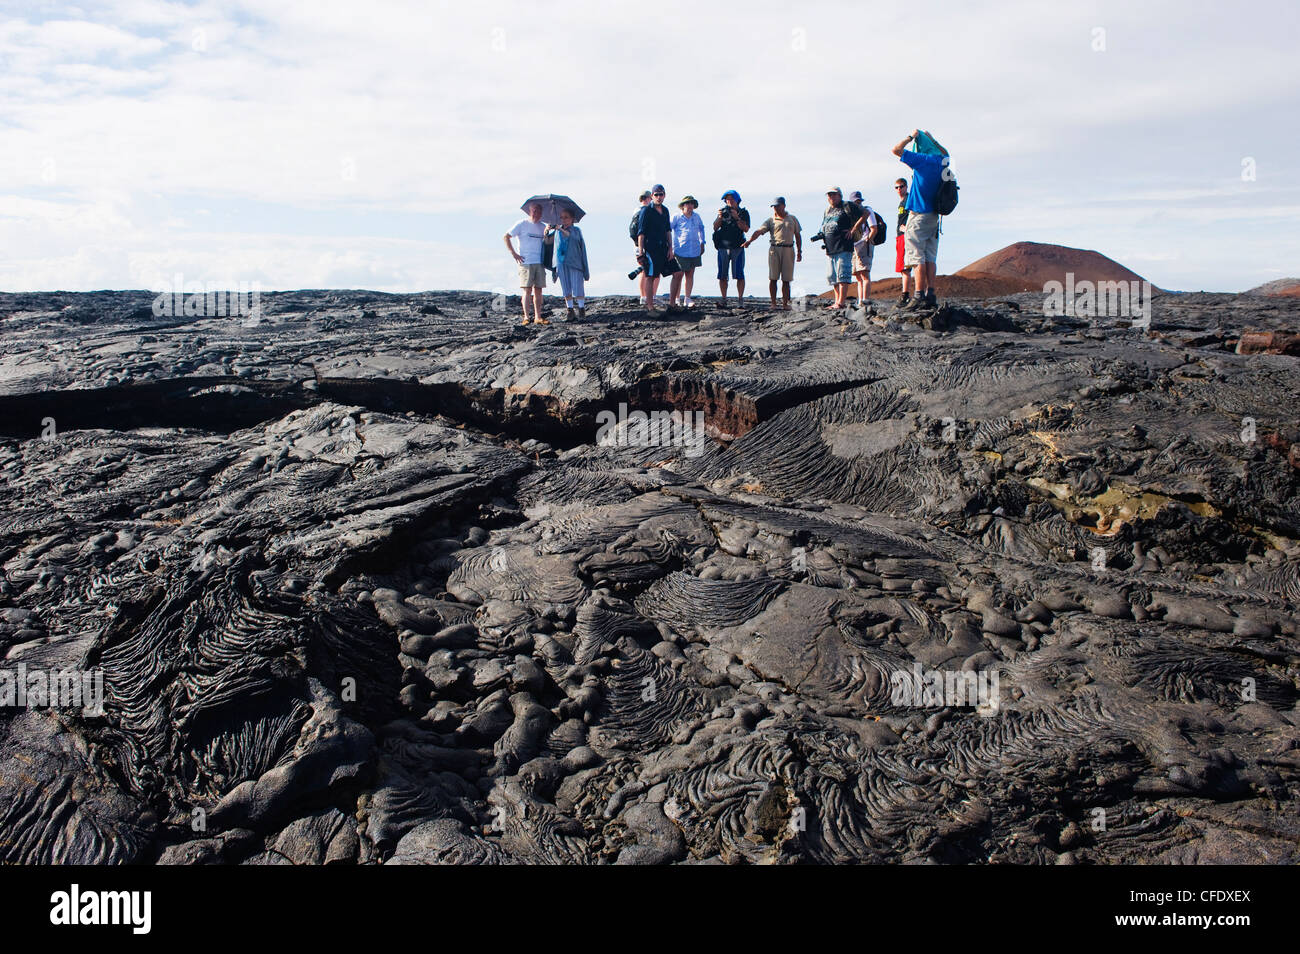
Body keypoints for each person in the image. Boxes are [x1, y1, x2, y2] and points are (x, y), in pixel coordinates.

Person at [891, 129, 949, 309]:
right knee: (930, 256)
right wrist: (933, 139)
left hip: (919, 214)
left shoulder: (923, 161)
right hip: (934, 216)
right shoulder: (942, 161)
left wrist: (910, 137)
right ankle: (930, 294)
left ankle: (918, 296)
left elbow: (896, 150)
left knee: (917, 257)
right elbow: (945, 152)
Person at [743, 197, 802, 310]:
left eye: (777, 206)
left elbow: (798, 235)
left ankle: (785, 304)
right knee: (773, 277)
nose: (775, 209)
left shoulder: (792, 219)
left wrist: (799, 251)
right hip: (774, 249)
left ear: (783, 205)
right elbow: (759, 231)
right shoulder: (770, 220)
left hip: (789, 249)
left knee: (786, 279)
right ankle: (773, 303)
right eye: (773, 207)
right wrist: (750, 240)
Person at [818, 187, 865, 310]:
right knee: (832, 277)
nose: (831, 197)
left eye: (834, 195)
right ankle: (837, 301)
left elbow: (865, 214)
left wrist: (853, 229)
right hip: (830, 248)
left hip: (843, 246)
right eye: (829, 195)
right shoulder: (828, 210)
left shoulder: (847, 206)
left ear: (840, 195)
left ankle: (841, 302)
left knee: (842, 275)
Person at [504, 202, 549, 325]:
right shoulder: (522, 224)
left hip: (539, 262)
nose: (537, 213)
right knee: (527, 290)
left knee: (538, 289)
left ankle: (538, 317)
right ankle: (526, 317)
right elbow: (506, 237)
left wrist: (549, 232)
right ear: (530, 211)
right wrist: (513, 253)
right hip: (526, 262)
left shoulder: (543, 227)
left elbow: (548, 243)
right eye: (534, 210)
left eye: (539, 211)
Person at [636, 184, 675, 314]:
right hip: (651, 249)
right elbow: (641, 233)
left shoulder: (665, 210)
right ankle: (650, 307)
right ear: (652, 196)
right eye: (656, 194)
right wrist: (641, 252)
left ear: (664, 195)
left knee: (678, 272)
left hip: (664, 248)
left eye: (661, 194)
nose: (659, 197)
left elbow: (668, 230)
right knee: (650, 276)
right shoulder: (646, 211)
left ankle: (673, 304)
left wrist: (670, 248)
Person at [549, 207, 590, 320]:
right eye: (561, 218)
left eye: (566, 217)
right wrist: (547, 232)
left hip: (574, 261)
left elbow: (572, 237)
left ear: (572, 219)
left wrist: (560, 229)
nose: (563, 220)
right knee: (566, 286)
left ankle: (581, 309)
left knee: (578, 286)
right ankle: (570, 310)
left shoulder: (576, 230)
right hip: (561, 262)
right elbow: (548, 242)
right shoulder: (557, 232)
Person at [713, 190, 750, 305]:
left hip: (737, 246)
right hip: (723, 246)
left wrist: (737, 217)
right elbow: (715, 227)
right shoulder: (723, 211)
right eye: (727, 199)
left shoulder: (743, 212)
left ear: (737, 200)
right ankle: (724, 299)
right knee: (722, 275)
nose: (729, 201)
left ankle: (740, 299)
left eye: (732, 199)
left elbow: (746, 229)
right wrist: (720, 217)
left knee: (739, 274)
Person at [670, 196, 707, 308]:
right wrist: (669, 246)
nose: (690, 205)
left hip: (694, 250)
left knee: (690, 274)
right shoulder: (676, 217)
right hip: (680, 250)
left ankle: (687, 298)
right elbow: (668, 229)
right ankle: (676, 299)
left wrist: (702, 243)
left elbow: (701, 229)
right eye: (687, 203)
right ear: (683, 205)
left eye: (691, 203)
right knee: (678, 275)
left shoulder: (697, 217)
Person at [850, 198, 881, 309]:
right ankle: (860, 300)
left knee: (864, 273)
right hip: (856, 245)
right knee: (858, 275)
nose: (857, 204)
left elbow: (874, 228)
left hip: (864, 244)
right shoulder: (854, 214)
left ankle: (865, 300)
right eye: (855, 202)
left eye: (859, 201)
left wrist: (868, 240)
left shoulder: (867, 211)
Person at [893, 178, 915, 307]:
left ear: (906, 187)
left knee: (905, 266)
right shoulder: (901, 202)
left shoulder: (908, 199)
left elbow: (914, 213)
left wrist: (907, 229)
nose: (899, 189)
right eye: (896, 187)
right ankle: (905, 293)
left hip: (905, 236)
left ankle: (905, 294)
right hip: (900, 236)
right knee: (902, 266)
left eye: (901, 186)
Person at [631, 190, 652, 306]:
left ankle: (643, 296)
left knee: (642, 269)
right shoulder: (647, 211)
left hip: (637, 245)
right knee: (648, 270)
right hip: (646, 244)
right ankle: (648, 296)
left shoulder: (636, 211)